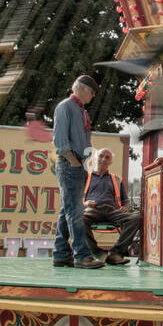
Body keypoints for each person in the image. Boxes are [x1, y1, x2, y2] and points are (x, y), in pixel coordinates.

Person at [52, 75, 104, 269]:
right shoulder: (66, 106)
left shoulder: (80, 110)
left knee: (67, 210)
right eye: (91, 92)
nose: (92, 97)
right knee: (75, 211)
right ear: (81, 89)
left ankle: (60, 254)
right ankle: (81, 255)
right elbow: (59, 140)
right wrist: (73, 161)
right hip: (69, 162)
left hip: (77, 163)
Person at [83, 148, 142, 265]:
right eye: (101, 156)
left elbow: (126, 201)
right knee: (77, 220)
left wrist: (126, 207)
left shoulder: (116, 179)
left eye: (107, 157)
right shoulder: (86, 177)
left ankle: (116, 253)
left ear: (111, 162)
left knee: (136, 218)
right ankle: (98, 253)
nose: (104, 159)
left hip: (112, 211)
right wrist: (85, 204)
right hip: (92, 210)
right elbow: (76, 198)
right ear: (95, 158)